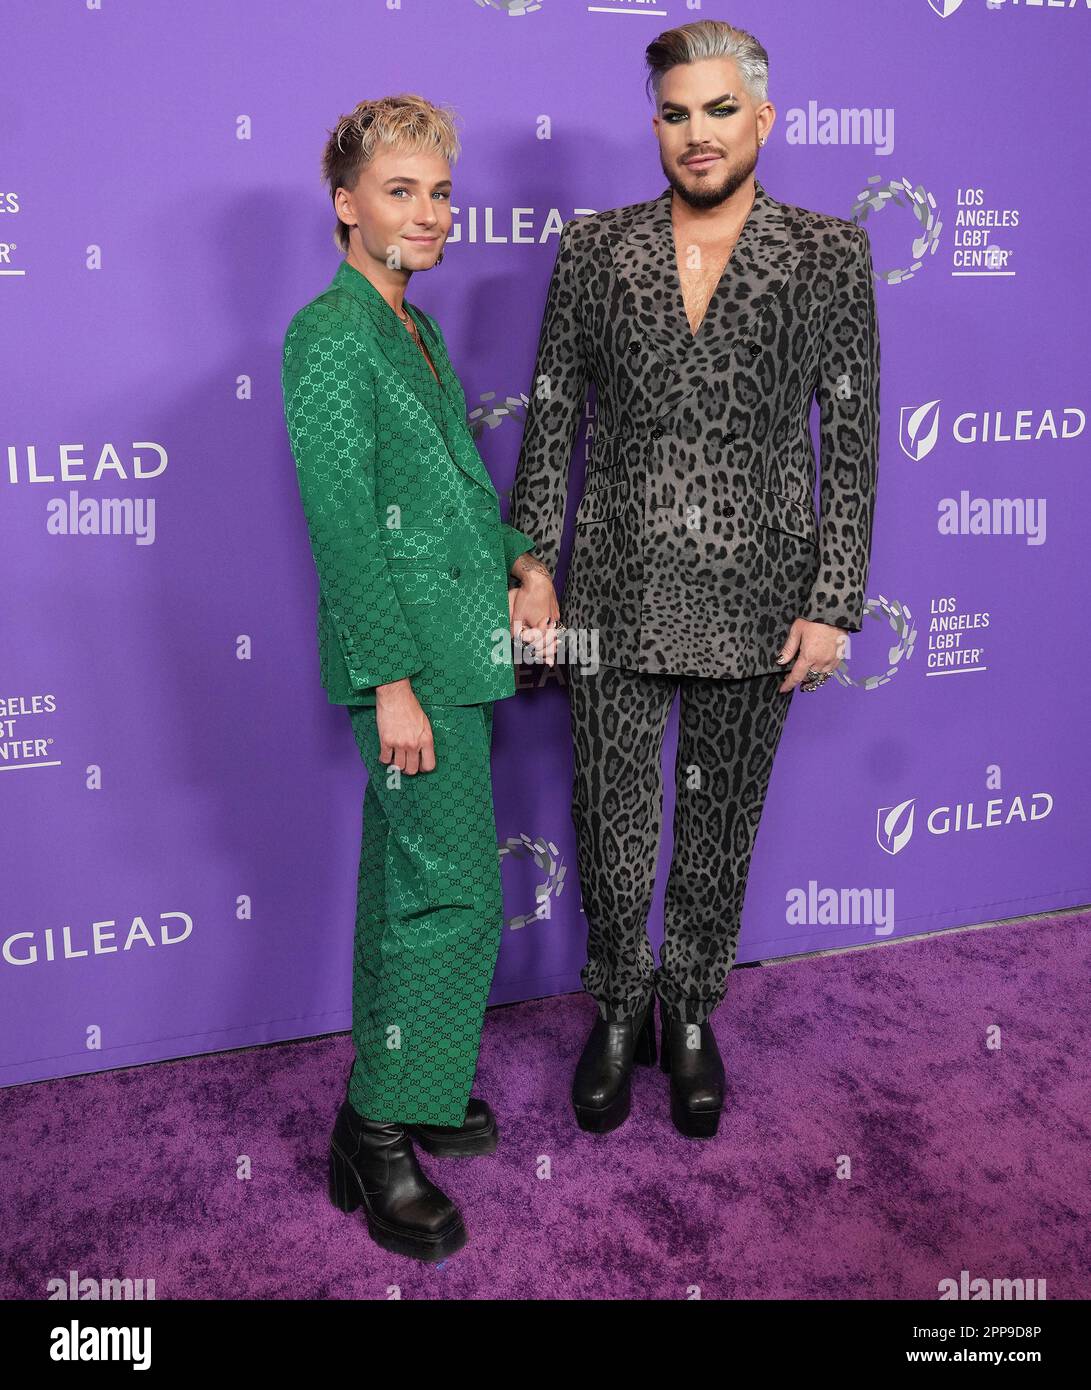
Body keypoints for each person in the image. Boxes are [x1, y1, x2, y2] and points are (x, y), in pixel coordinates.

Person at [509, 19, 880, 1139]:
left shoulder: (826, 253)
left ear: (761, 119)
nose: (697, 134)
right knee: (612, 829)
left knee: (719, 830)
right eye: (675, 113)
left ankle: (689, 1015)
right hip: (611, 591)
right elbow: (553, 412)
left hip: (757, 592)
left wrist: (832, 600)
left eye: (719, 110)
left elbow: (852, 437)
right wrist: (530, 563)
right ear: (654, 125)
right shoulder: (594, 247)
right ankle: (616, 1011)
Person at [281, 95, 550, 1260]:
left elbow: (454, 488)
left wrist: (521, 563)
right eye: (401, 190)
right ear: (345, 205)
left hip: (458, 652)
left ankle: (406, 1092)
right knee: (451, 897)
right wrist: (389, 680)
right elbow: (343, 526)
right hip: (409, 669)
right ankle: (378, 1125)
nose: (430, 212)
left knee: (411, 886)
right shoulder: (329, 334)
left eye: (440, 191)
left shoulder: (414, 327)